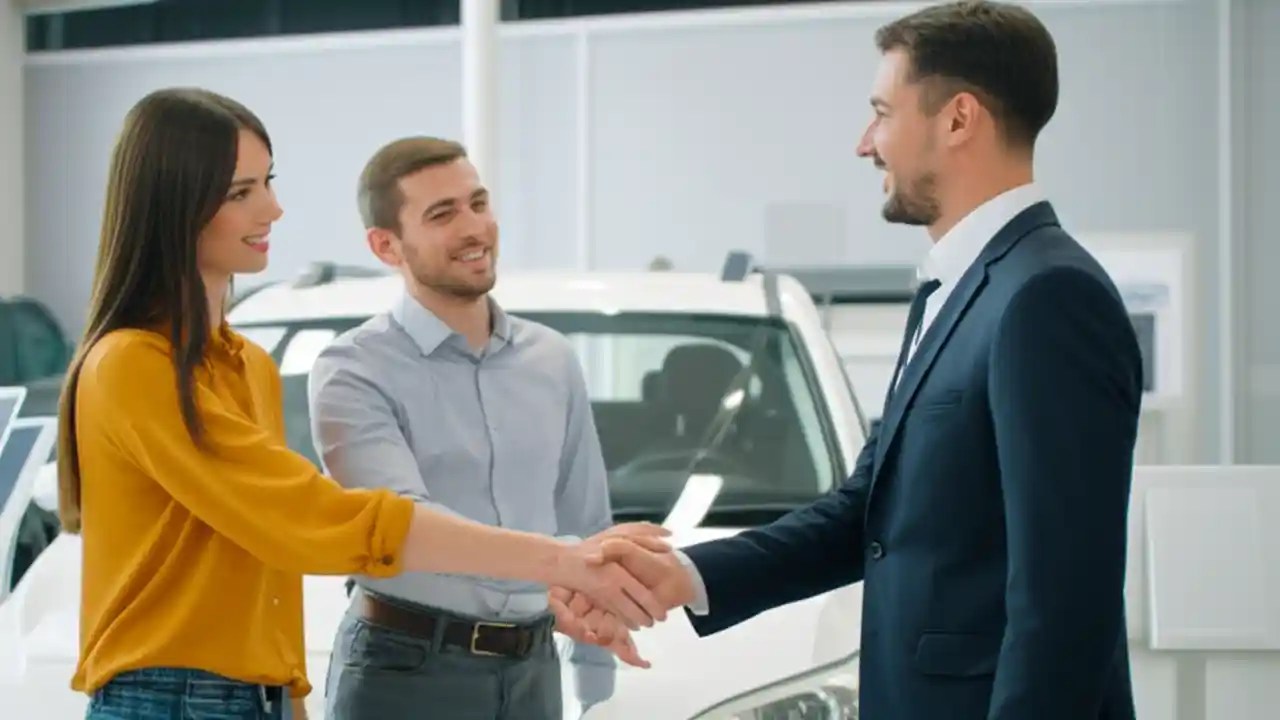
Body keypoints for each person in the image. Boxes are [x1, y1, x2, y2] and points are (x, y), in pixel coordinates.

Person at [556, 2, 1144, 719]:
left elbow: (1065, 598)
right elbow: (866, 515)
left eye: (881, 112)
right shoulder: (959, 288)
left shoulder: (1047, 296)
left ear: (959, 119)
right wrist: (681, 574)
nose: (867, 143)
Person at [57, 88, 667, 720]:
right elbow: (316, 521)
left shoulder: (249, 368)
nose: (274, 207)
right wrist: (562, 559)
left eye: (267, 181)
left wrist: (291, 696)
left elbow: (267, 565)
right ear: (173, 207)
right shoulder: (133, 366)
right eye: (241, 193)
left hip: (256, 698)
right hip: (167, 699)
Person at [309, 136, 652, 719]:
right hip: (405, 671)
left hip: (533, 669)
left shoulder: (551, 358)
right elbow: (404, 527)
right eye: (442, 215)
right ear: (386, 245)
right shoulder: (352, 370)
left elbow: (584, 515)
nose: (474, 229)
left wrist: (594, 662)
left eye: (479, 203)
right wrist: (565, 561)